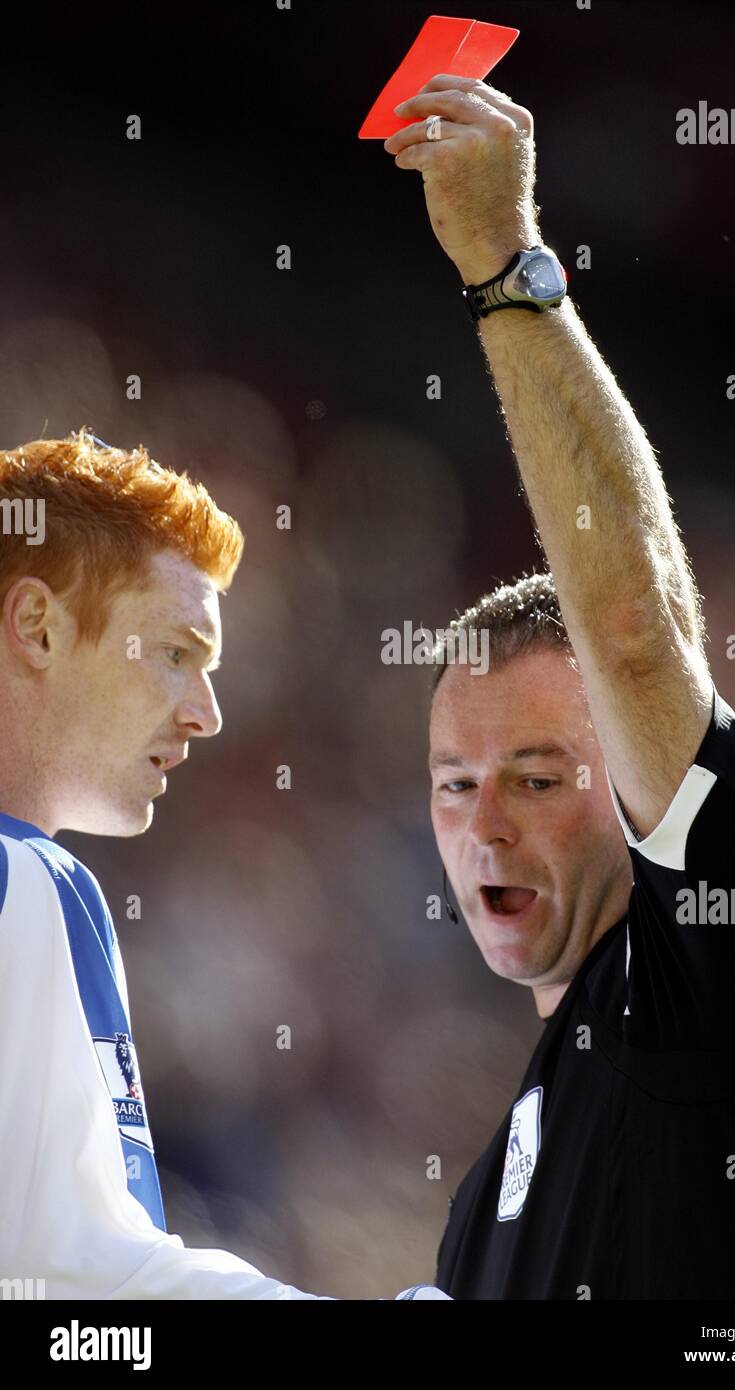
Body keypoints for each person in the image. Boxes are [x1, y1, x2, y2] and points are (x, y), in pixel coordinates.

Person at [384, 77, 735, 1298]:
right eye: (455, 783)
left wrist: (505, 265)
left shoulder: (730, 968)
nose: (482, 823)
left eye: (538, 776)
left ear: (637, 789)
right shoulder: (487, 1197)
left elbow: (630, 626)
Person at [0, 430, 447, 1301]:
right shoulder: (27, 881)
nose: (206, 714)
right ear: (36, 628)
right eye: (174, 653)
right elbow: (85, 1294)